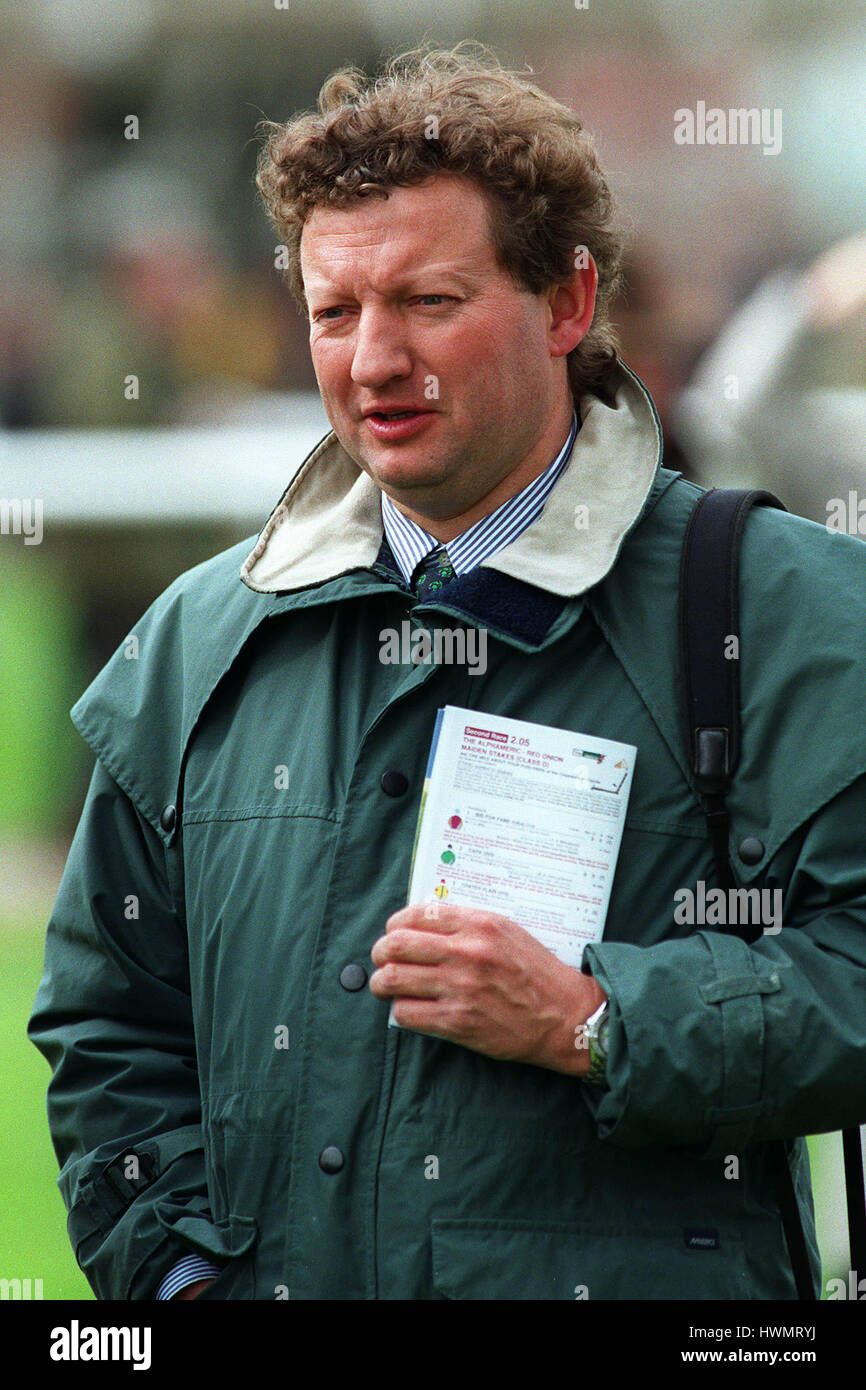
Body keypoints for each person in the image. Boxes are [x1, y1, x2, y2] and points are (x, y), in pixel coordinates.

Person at [28, 44, 866, 1301]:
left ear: (566, 305)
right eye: (332, 311)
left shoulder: (771, 604)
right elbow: (108, 1028)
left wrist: (598, 1019)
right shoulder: (199, 639)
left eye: (427, 302)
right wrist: (176, 1283)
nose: (370, 360)